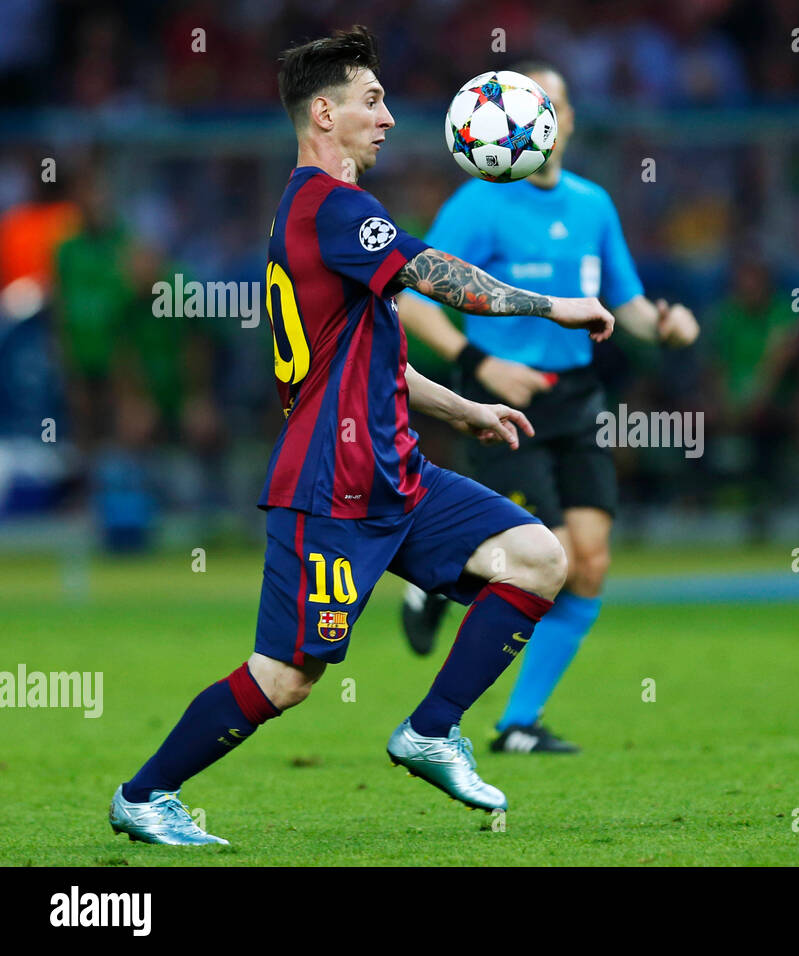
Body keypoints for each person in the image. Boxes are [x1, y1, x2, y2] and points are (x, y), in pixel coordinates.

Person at [109, 26, 615, 845]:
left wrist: (468, 410)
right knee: (287, 675)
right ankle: (144, 794)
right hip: (328, 486)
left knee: (537, 556)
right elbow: (435, 274)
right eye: (370, 101)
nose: (387, 118)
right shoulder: (328, 207)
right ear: (323, 112)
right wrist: (553, 305)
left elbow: (377, 365)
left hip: (395, 471)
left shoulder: (330, 218)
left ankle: (431, 730)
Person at [397, 62, 698, 755]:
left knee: (588, 562)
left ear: (565, 119)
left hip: (577, 401)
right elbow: (412, 299)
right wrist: (483, 365)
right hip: (504, 407)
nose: (544, 114)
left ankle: (517, 725)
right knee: (539, 555)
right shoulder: (478, 203)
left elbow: (624, 305)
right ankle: (434, 584)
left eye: (554, 103)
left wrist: (667, 324)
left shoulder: (592, 203)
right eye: (533, 102)